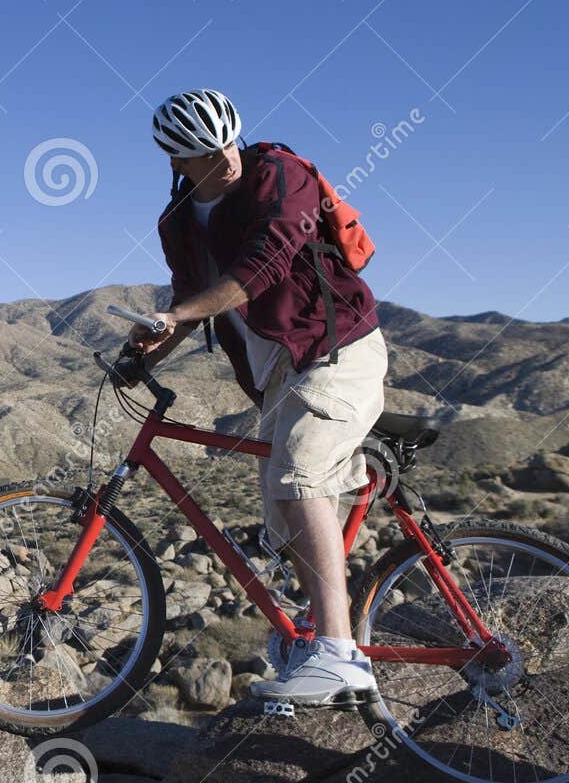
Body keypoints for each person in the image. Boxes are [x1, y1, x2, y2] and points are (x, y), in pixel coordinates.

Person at [129, 88, 389, 708]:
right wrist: (143, 351)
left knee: (299, 476)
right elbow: (188, 301)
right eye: (205, 155)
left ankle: (337, 653)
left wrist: (178, 312)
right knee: (282, 506)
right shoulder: (178, 223)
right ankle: (312, 647)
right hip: (278, 374)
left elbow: (266, 264)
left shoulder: (279, 172)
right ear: (176, 162)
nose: (225, 161)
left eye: (226, 146)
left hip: (335, 349)